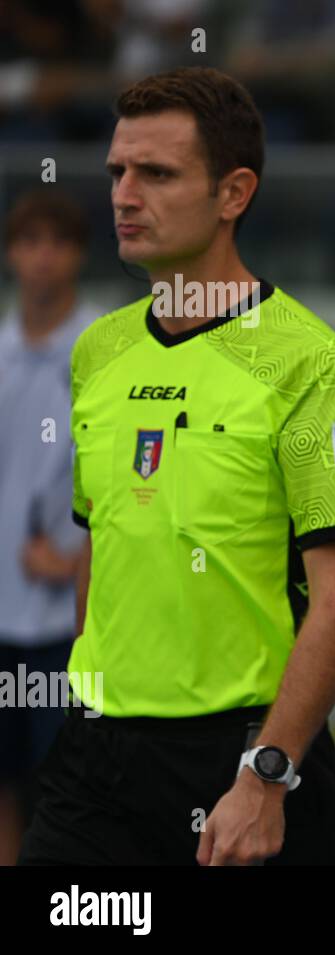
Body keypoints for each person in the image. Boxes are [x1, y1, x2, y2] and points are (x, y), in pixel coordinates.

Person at [19, 66, 335, 866]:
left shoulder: (311, 360)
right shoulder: (97, 349)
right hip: (96, 763)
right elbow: (101, 547)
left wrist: (266, 775)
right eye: (117, 171)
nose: (123, 193)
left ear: (233, 193)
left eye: (156, 173)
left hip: (246, 757)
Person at [0, 190, 97, 865]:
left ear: (78, 254)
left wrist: (74, 562)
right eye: (28, 241)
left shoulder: (103, 354)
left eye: (57, 241)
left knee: (65, 789)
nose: (42, 257)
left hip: (67, 625)